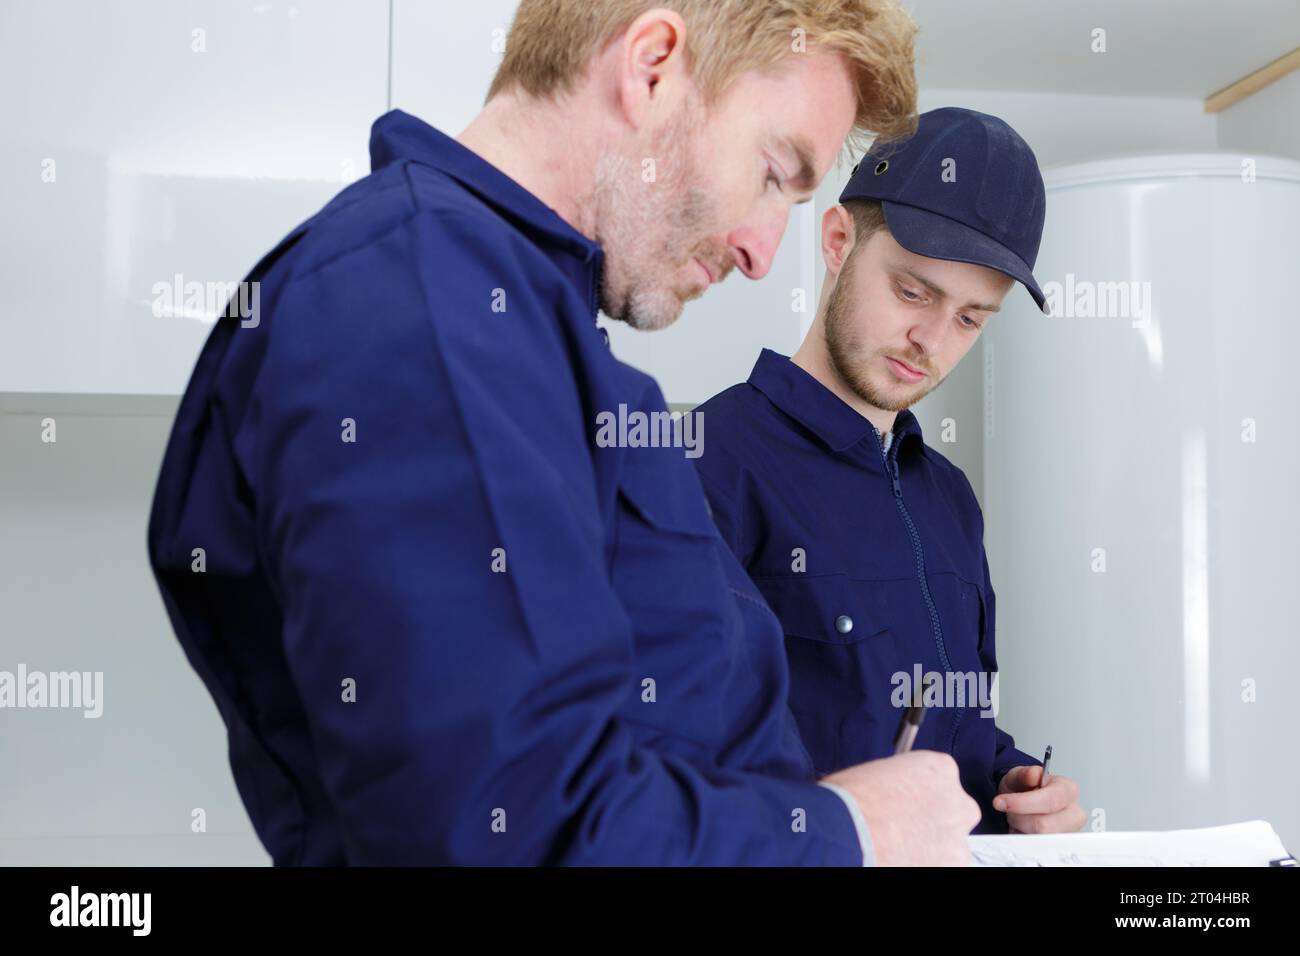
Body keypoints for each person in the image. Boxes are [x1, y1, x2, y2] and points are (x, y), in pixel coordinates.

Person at [147, 1, 981, 865]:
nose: (763, 251)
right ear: (651, 65)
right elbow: (501, 826)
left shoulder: (527, 333)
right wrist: (846, 835)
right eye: (775, 173)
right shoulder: (423, 302)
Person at [693, 107, 1088, 834]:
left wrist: (1012, 784)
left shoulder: (951, 499)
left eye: (971, 318)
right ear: (838, 240)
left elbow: (960, 733)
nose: (931, 340)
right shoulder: (704, 466)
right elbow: (674, 773)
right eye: (913, 291)